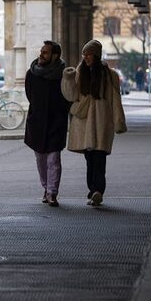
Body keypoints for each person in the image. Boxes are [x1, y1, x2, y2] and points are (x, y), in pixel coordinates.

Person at [62, 39, 127, 206]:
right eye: (84, 54)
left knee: (99, 158)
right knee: (89, 159)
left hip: (101, 122)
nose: (86, 58)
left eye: (89, 54)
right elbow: (71, 96)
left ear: (96, 55)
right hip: (83, 123)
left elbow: (115, 100)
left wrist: (118, 121)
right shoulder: (79, 72)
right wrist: (68, 79)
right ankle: (92, 190)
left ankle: (98, 190)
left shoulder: (109, 75)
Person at [24, 40, 70, 207]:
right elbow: (30, 95)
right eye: (41, 51)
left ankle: (52, 192)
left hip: (56, 121)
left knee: (53, 159)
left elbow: (68, 97)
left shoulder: (63, 74)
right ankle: (45, 187)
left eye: (45, 52)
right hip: (37, 121)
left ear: (55, 56)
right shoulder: (32, 73)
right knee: (40, 159)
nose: (41, 55)